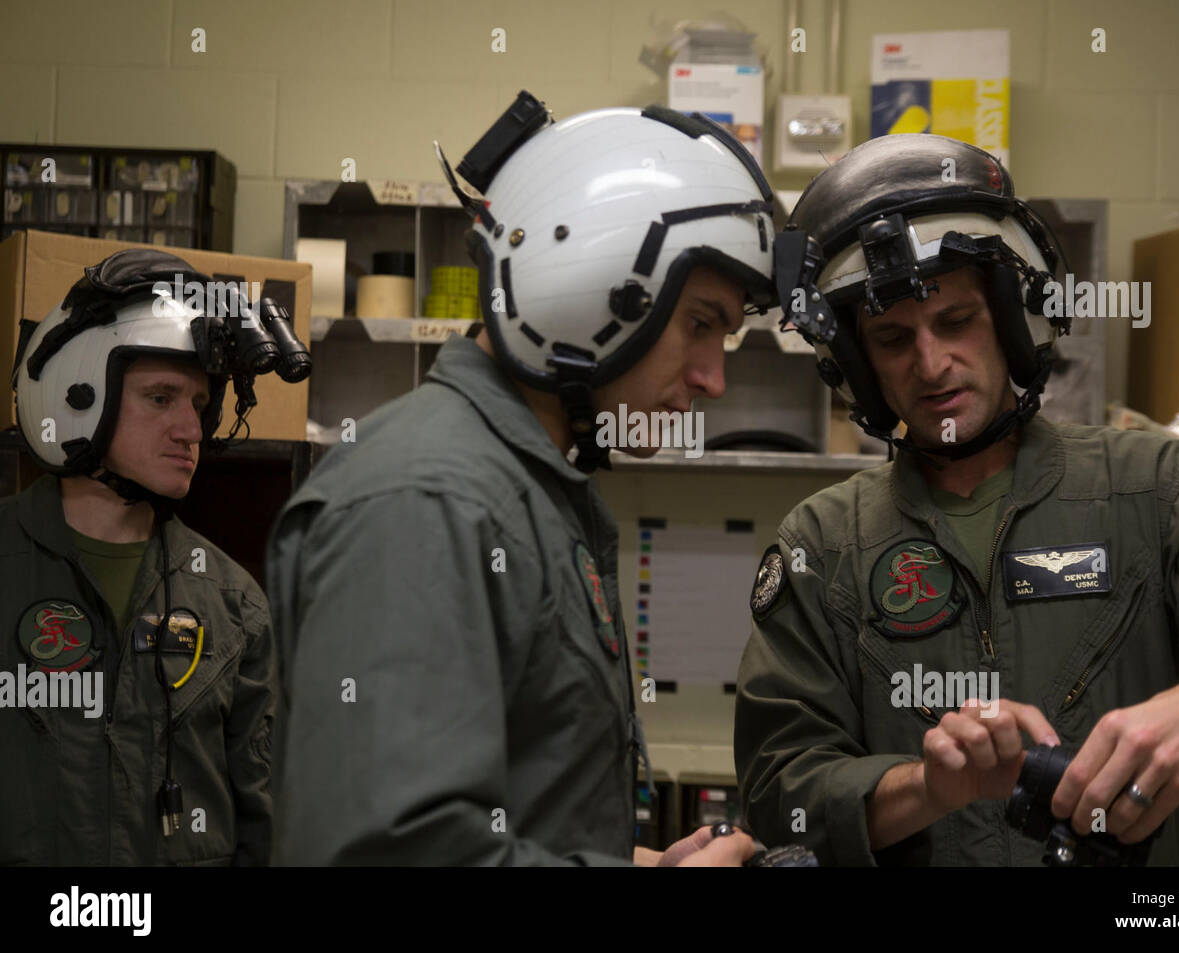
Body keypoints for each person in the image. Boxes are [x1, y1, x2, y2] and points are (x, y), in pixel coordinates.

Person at [734, 132, 1179, 866]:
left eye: (955, 322)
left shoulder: (1156, 487)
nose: (932, 364)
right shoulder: (822, 542)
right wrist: (928, 786)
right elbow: (782, 797)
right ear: (858, 365)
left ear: (1011, 318)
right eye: (892, 337)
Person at [267, 92, 777, 865]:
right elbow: (391, 854)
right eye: (700, 325)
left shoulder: (531, 488)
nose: (712, 380)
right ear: (581, 288)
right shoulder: (427, 501)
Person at [1, 248, 304, 864]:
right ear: (75, 393)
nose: (191, 430)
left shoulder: (232, 603)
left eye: (198, 405)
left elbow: (265, 826)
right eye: (161, 398)